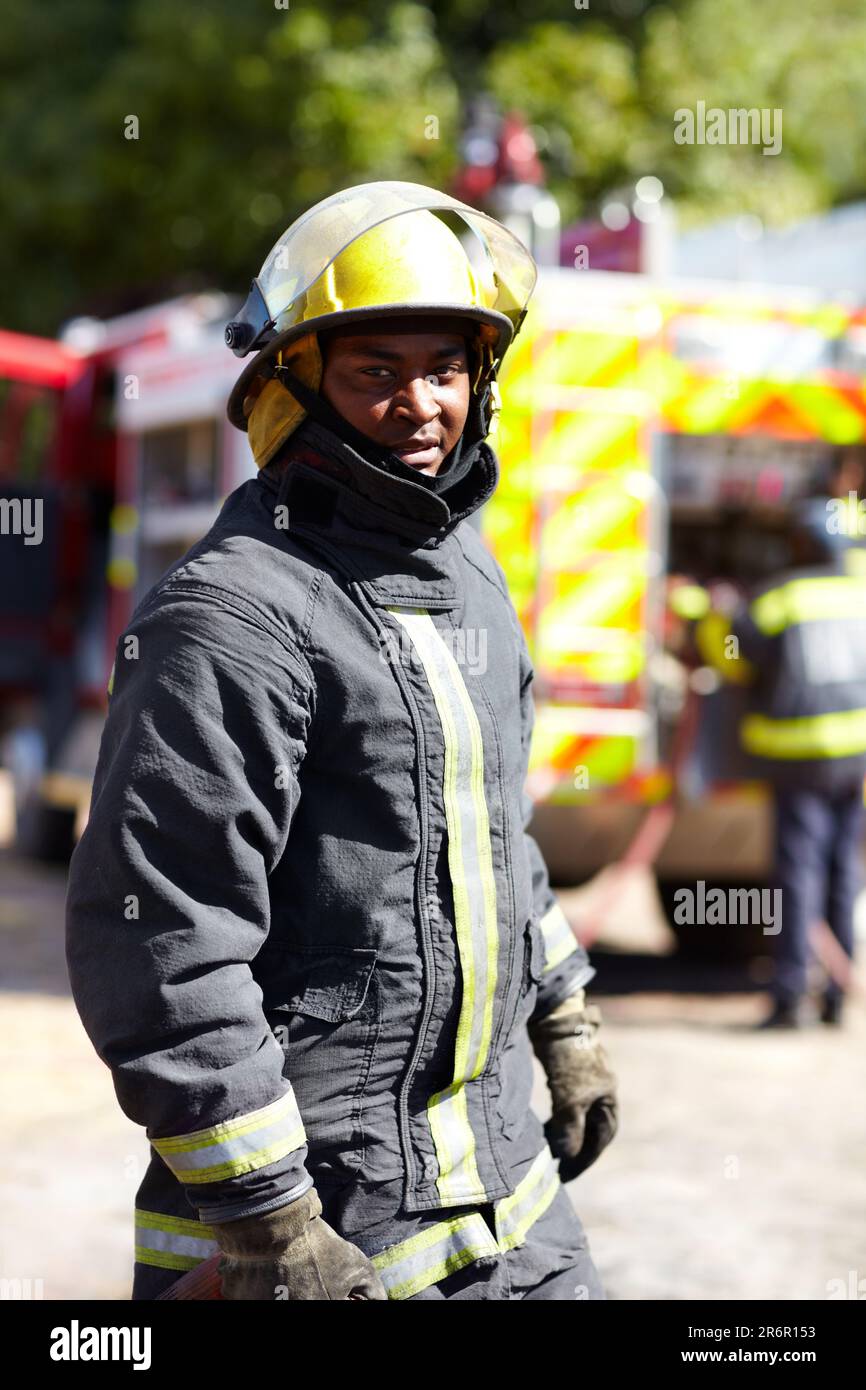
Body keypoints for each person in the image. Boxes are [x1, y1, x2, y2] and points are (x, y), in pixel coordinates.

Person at [66, 181, 618, 1301]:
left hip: (512, 1213)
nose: (421, 404)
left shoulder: (465, 575)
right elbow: (162, 936)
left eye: (446, 368)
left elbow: (490, 836)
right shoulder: (230, 618)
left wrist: (563, 1016)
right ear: (293, 386)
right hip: (327, 1231)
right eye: (375, 372)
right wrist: (270, 1220)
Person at [698, 499, 866, 1028]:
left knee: (799, 873)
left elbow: (733, 658)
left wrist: (711, 618)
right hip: (854, 758)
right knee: (845, 869)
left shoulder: (779, 600)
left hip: (799, 759)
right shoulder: (858, 595)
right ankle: (836, 997)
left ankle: (790, 995)